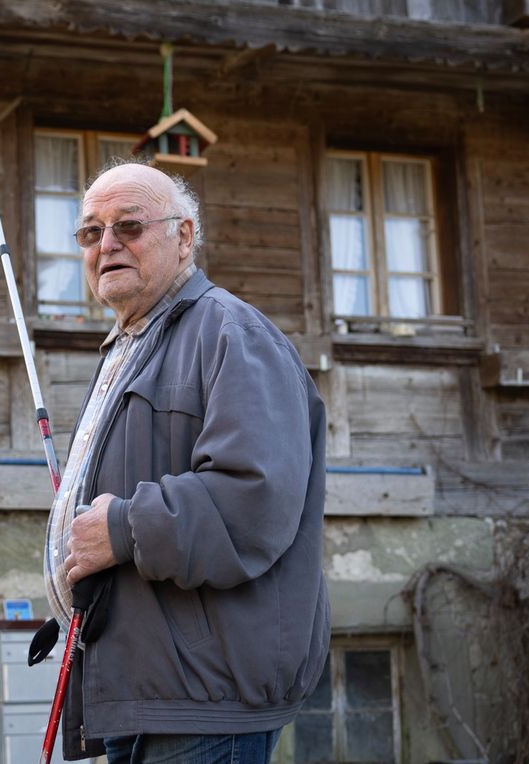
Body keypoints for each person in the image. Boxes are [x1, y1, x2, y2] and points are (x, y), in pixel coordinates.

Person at [43, 162, 329, 763]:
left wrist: (119, 529)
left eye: (129, 226)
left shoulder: (230, 332)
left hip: (203, 702)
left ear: (184, 236)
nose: (108, 244)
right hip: (143, 689)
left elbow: (253, 498)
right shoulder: (134, 345)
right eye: (91, 233)